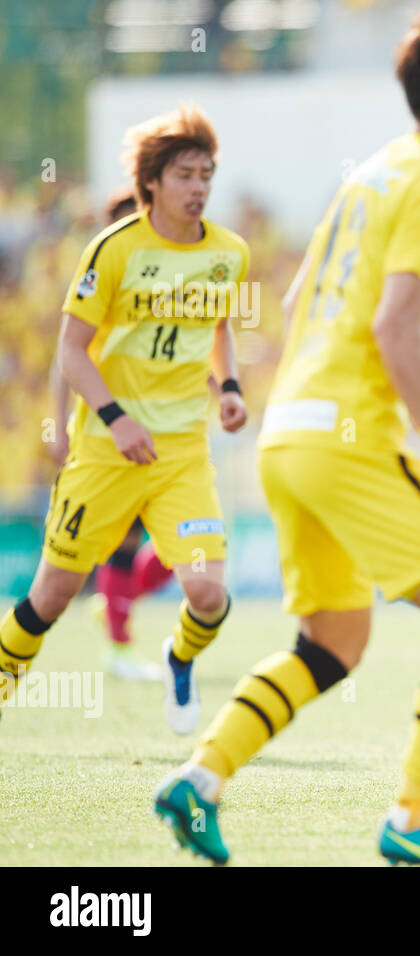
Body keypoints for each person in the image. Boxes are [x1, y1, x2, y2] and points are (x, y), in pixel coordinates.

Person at [153, 5, 420, 867]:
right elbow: (396, 326)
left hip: (291, 433)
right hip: (350, 439)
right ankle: (418, 819)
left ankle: (199, 781)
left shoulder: (375, 174)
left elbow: (292, 304)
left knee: (333, 643)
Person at [0, 105, 249, 731]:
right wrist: (115, 419)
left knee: (208, 596)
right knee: (50, 597)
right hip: (107, 452)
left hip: (181, 455)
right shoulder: (111, 250)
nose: (198, 188)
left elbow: (216, 328)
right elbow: (71, 351)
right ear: (153, 182)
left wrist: (230, 387)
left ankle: (179, 657)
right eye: (185, 175)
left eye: (206, 175)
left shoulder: (229, 253)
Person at [47, 187, 172, 682]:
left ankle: (116, 602)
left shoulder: (166, 284)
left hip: (167, 433)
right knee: (120, 541)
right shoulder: (98, 285)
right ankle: (119, 645)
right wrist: (58, 424)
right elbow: (66, 359)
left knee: (184, 548)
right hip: (107, 434)